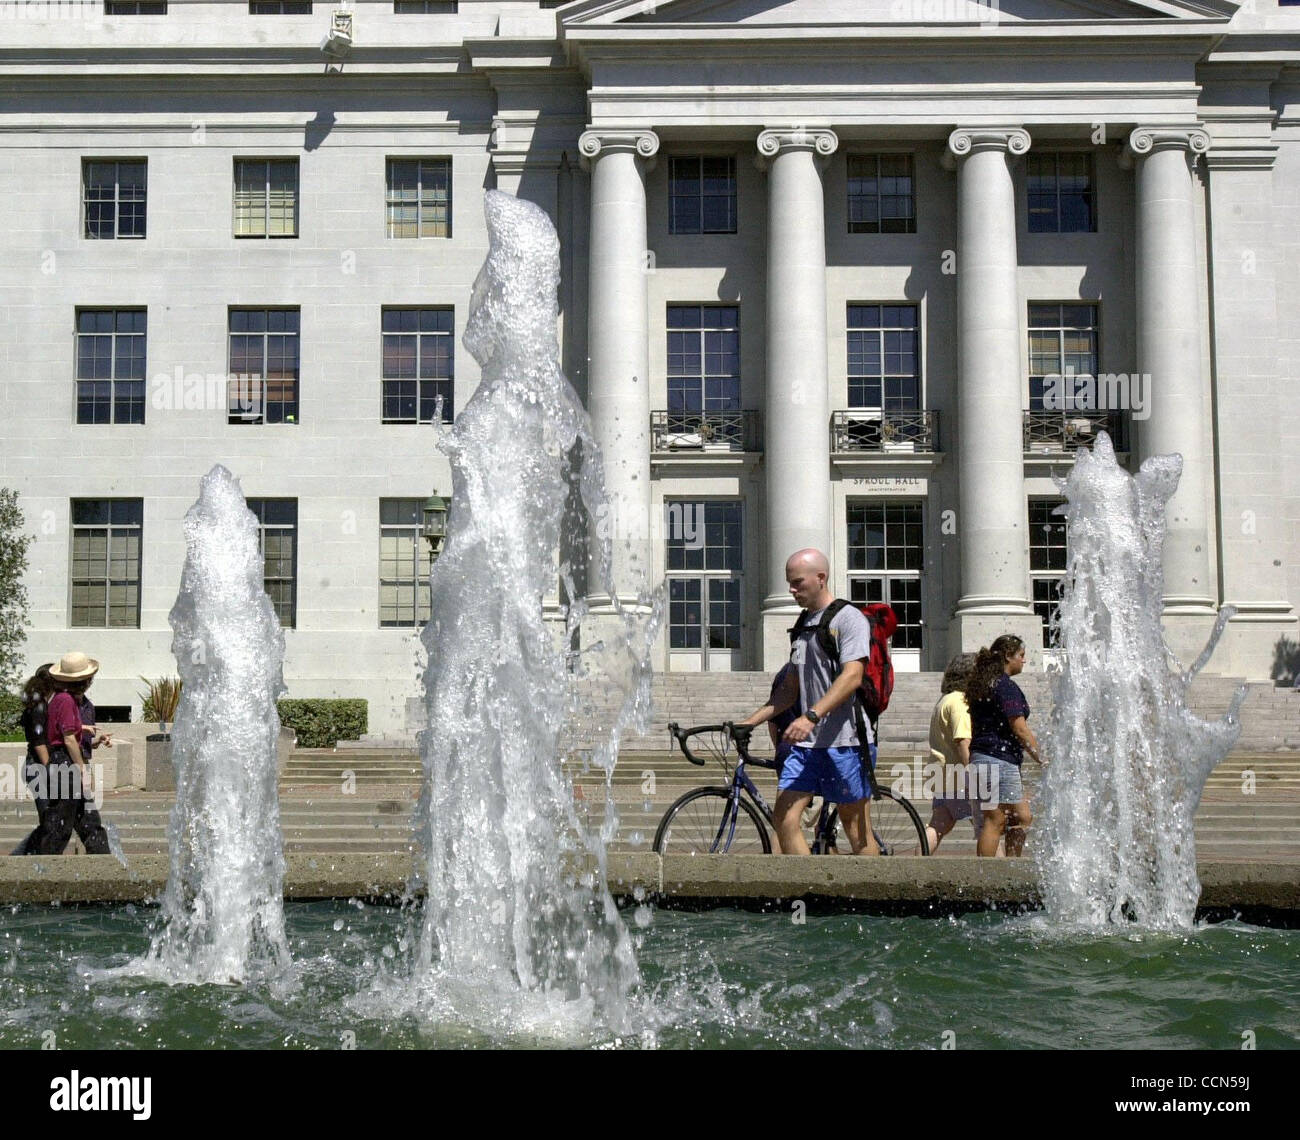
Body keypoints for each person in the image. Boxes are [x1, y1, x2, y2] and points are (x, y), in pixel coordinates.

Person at [738, 548, 879, 856]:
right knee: (786, 819)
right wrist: (748, 722)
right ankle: (811, 893)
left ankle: (871, 899)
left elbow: (852, 675)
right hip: (807, 747)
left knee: (856, 829)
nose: (791, 590)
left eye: (797, 582)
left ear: (821, 578)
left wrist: (810, 716)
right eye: (789, 583)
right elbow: (789, 690)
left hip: (847, 741)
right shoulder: (802, 626)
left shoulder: (849, 618)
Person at [966, 635, 1044, 857]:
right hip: (997, 759)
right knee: (996, 819)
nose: (1024, 660)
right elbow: (1019, 728)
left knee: (1021, 817)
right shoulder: (1005, 686)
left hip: (985, 758)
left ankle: (1010, 868)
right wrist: (1041, 757)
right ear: (1008, 656)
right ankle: (988, 877)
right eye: (1021, 655)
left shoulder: (985, 684)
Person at [33, 652, 112, 856]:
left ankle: (102, 863)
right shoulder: (66, 700)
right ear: (86, 680)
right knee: (60, 823)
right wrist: (82, 768)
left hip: (62, 762)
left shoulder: (61, 699)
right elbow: (68, 739)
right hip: (64, 763)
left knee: (89, 820)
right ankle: (42, 872)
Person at [925, 653, 979, 855]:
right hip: (960, 776)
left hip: (943, 773)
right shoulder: (959, 702)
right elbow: (963, 741)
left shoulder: (945, 700)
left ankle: (912, 865)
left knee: (938, 825)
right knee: (987, 827)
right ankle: (1001, 874)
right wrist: (975, 774)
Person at [10, 664, 55, 856]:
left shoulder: (41, 703)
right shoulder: (39, 706)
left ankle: (27, 857)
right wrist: (50, 769)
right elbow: (39, 742)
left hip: (36, 767)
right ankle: (19, 858)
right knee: (48, 820)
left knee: (51, 820)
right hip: (37, 767)